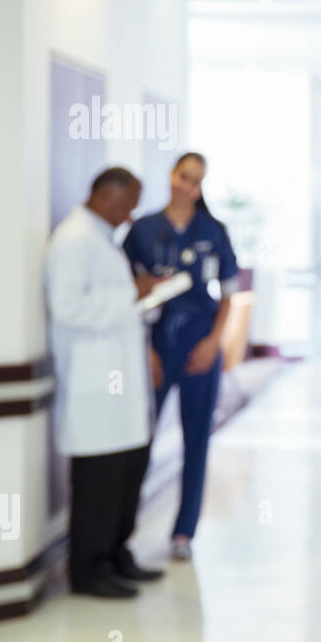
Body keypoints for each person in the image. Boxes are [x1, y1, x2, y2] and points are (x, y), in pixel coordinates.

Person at [46, 168, 166, 598]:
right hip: (93, 388)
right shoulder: (74, 239)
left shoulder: (101, 241)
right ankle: (89, 570)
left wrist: (147, 296)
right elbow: (66, 308)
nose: (131, 214)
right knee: (99, 483)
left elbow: (121, 305)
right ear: (104, 195)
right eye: (127, 204)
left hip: (120, 384)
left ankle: (117, 553)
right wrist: (130, 294)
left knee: (127, 473)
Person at [122, 152, 240, 562]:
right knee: (138, 439)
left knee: (196, 441)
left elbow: (229, 295)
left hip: (201, 345)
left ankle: (183, 533)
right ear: (171, 176)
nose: (188, 187)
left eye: (197, 181)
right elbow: (128, 293)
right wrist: (147, 351)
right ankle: (122, 530)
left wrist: (213, 342)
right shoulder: (144, 230)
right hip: (156, 343)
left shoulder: (213, 230)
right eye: (184, 177)